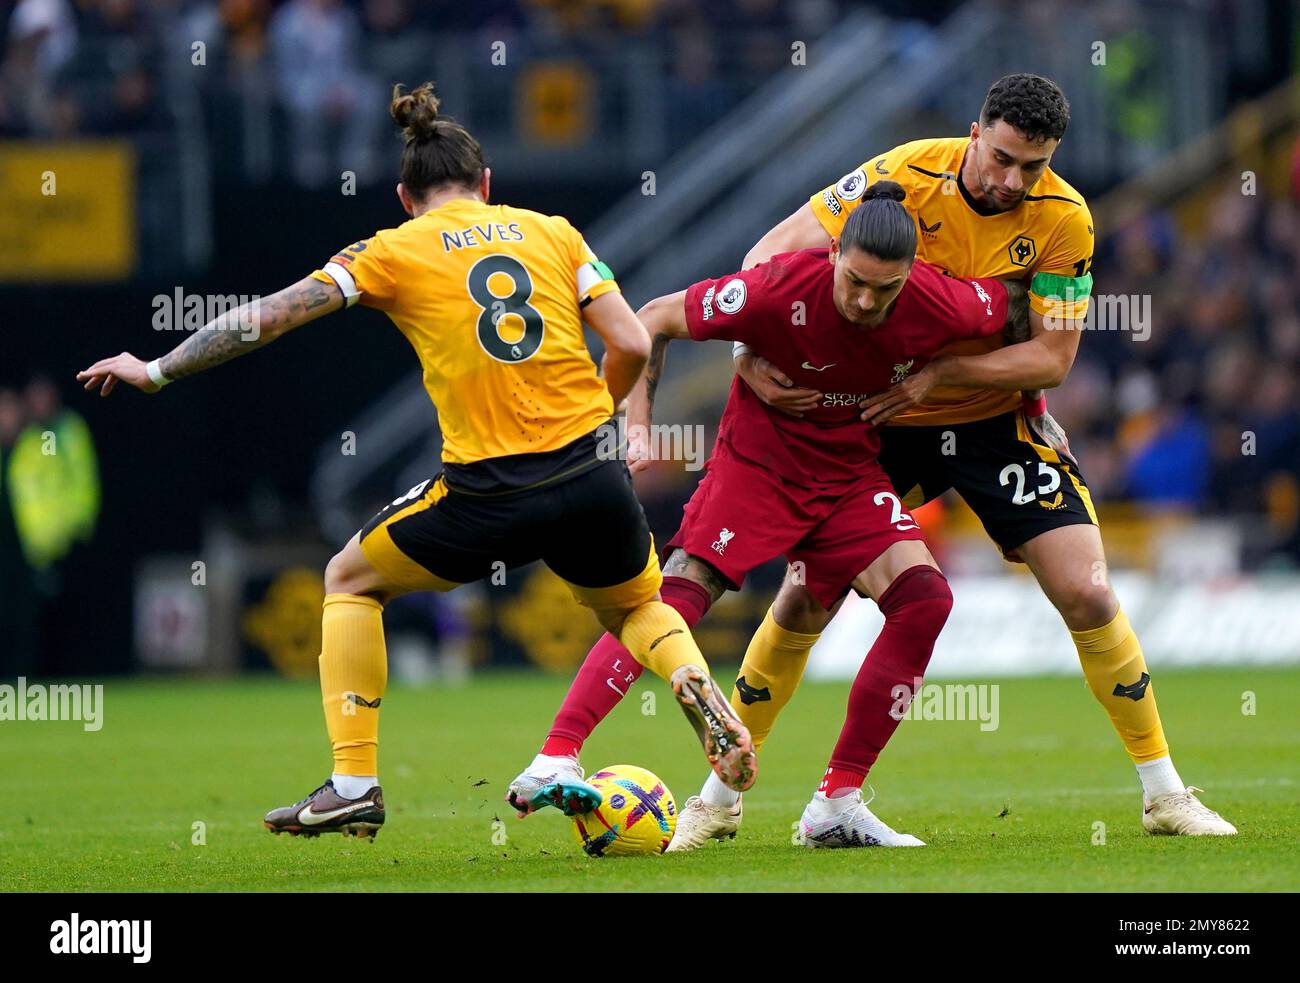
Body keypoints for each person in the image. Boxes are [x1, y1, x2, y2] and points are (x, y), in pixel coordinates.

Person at [76, 81, 753, 841]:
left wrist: (159, 368)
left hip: (488, 492)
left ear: (406, 196)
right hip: (592, 474)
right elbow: (630, 342)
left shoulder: (390, 249)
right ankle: (692, 679)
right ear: (487, 184)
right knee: (635, 605)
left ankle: (354, 782)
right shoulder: (553, 232)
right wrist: (600, 416)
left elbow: (266, 318)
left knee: (349, 577)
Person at [510, 181, 1027, 847]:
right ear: (833, 250)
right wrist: (636, 422)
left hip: (846, 477)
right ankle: (556, 753)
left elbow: (1019, 306)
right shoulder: (778, 288)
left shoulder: (939, 299)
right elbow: (654, 319)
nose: (868, 301)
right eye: (857, 282)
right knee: (672, 600)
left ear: (912, 275)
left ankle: (836, 803)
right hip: (754, 467)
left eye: (886, 290)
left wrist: (1022, 407)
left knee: (925, 598)